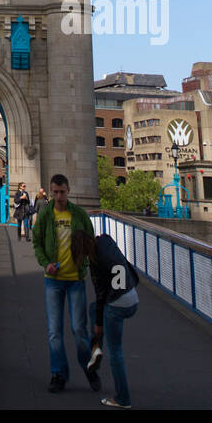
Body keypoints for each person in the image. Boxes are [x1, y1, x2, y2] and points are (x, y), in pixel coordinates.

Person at [32, 174, 99, 395]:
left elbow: (92, 243)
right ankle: (58, 374)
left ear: (68, 190)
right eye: (55, 192)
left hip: (75, 280)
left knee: (79, 330)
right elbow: (37, 242)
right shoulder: (45, 215)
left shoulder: (79, 215)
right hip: (53, 281)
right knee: (54, 332)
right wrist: (45, 264)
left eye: (62, 192)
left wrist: (91, 267)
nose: (59, 196)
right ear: (51, 192)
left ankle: (88, 367)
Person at [75, 229, 140, 410]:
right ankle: (97, 348)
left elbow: (101, 293)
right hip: (132, 297)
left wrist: (98, 324)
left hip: (116, 305)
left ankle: (123, 398)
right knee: (93, 308)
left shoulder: (95, 264)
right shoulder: (106, 240)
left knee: (116, 352)